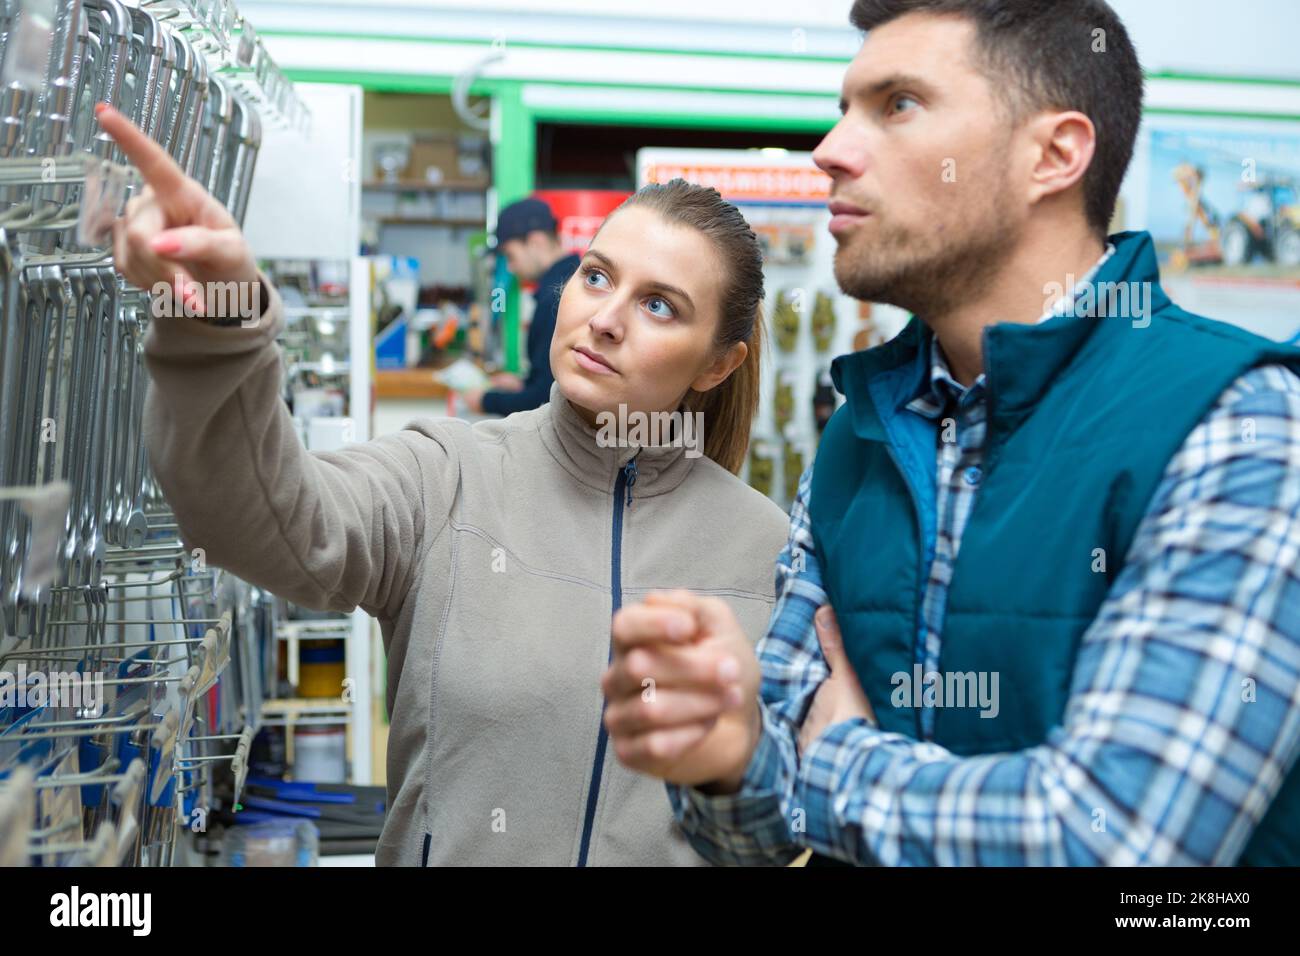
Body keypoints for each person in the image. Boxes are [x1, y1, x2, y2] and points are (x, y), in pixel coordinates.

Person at [601, 0, 1300, 866]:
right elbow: (754, 829)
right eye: (847, 105)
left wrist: (838, 766)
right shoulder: (862, 435)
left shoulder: (1237, 422)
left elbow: (1115, 841)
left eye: (896, 105)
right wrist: (724, 756)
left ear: (1054, 154)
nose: (831, 149)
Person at [95, 102, 789, 866]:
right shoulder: (445, 475)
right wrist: (221, 323)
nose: (605, 318)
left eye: (658, 305)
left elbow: (776, 822)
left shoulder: (769, 554)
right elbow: (252, 516)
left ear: (717, 364)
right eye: (597, 276)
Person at [464, 197, 580, 416]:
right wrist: (522, 384)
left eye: (510, 255)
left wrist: (486, 401)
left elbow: (545, 398)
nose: (510, 266)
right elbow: (553, 380)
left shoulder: (557, 297)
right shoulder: (570, 281)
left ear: (536, 242)